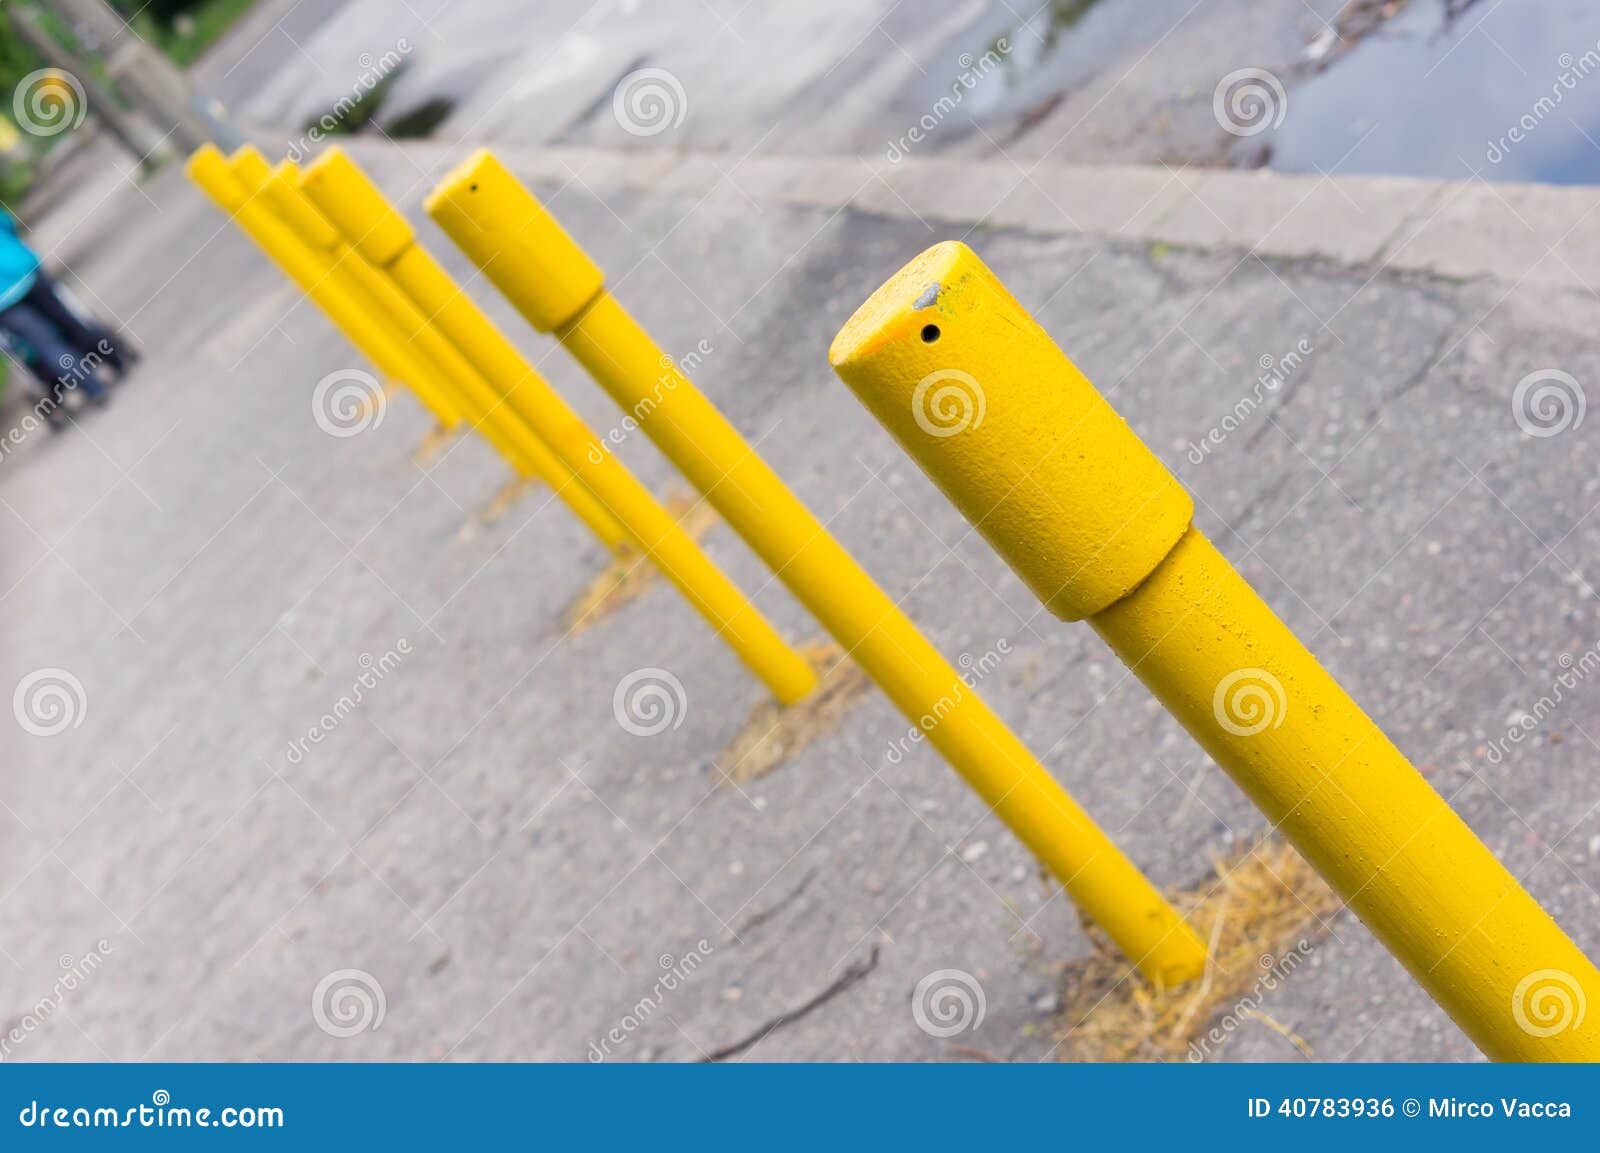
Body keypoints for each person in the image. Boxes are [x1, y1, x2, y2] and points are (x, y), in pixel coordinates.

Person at [0, 211, 132, 427]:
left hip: (4, 303)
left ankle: (93, 387)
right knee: (68, 321)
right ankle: (114, 357)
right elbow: (7, 224)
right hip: (24, 270)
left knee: (44, 345)